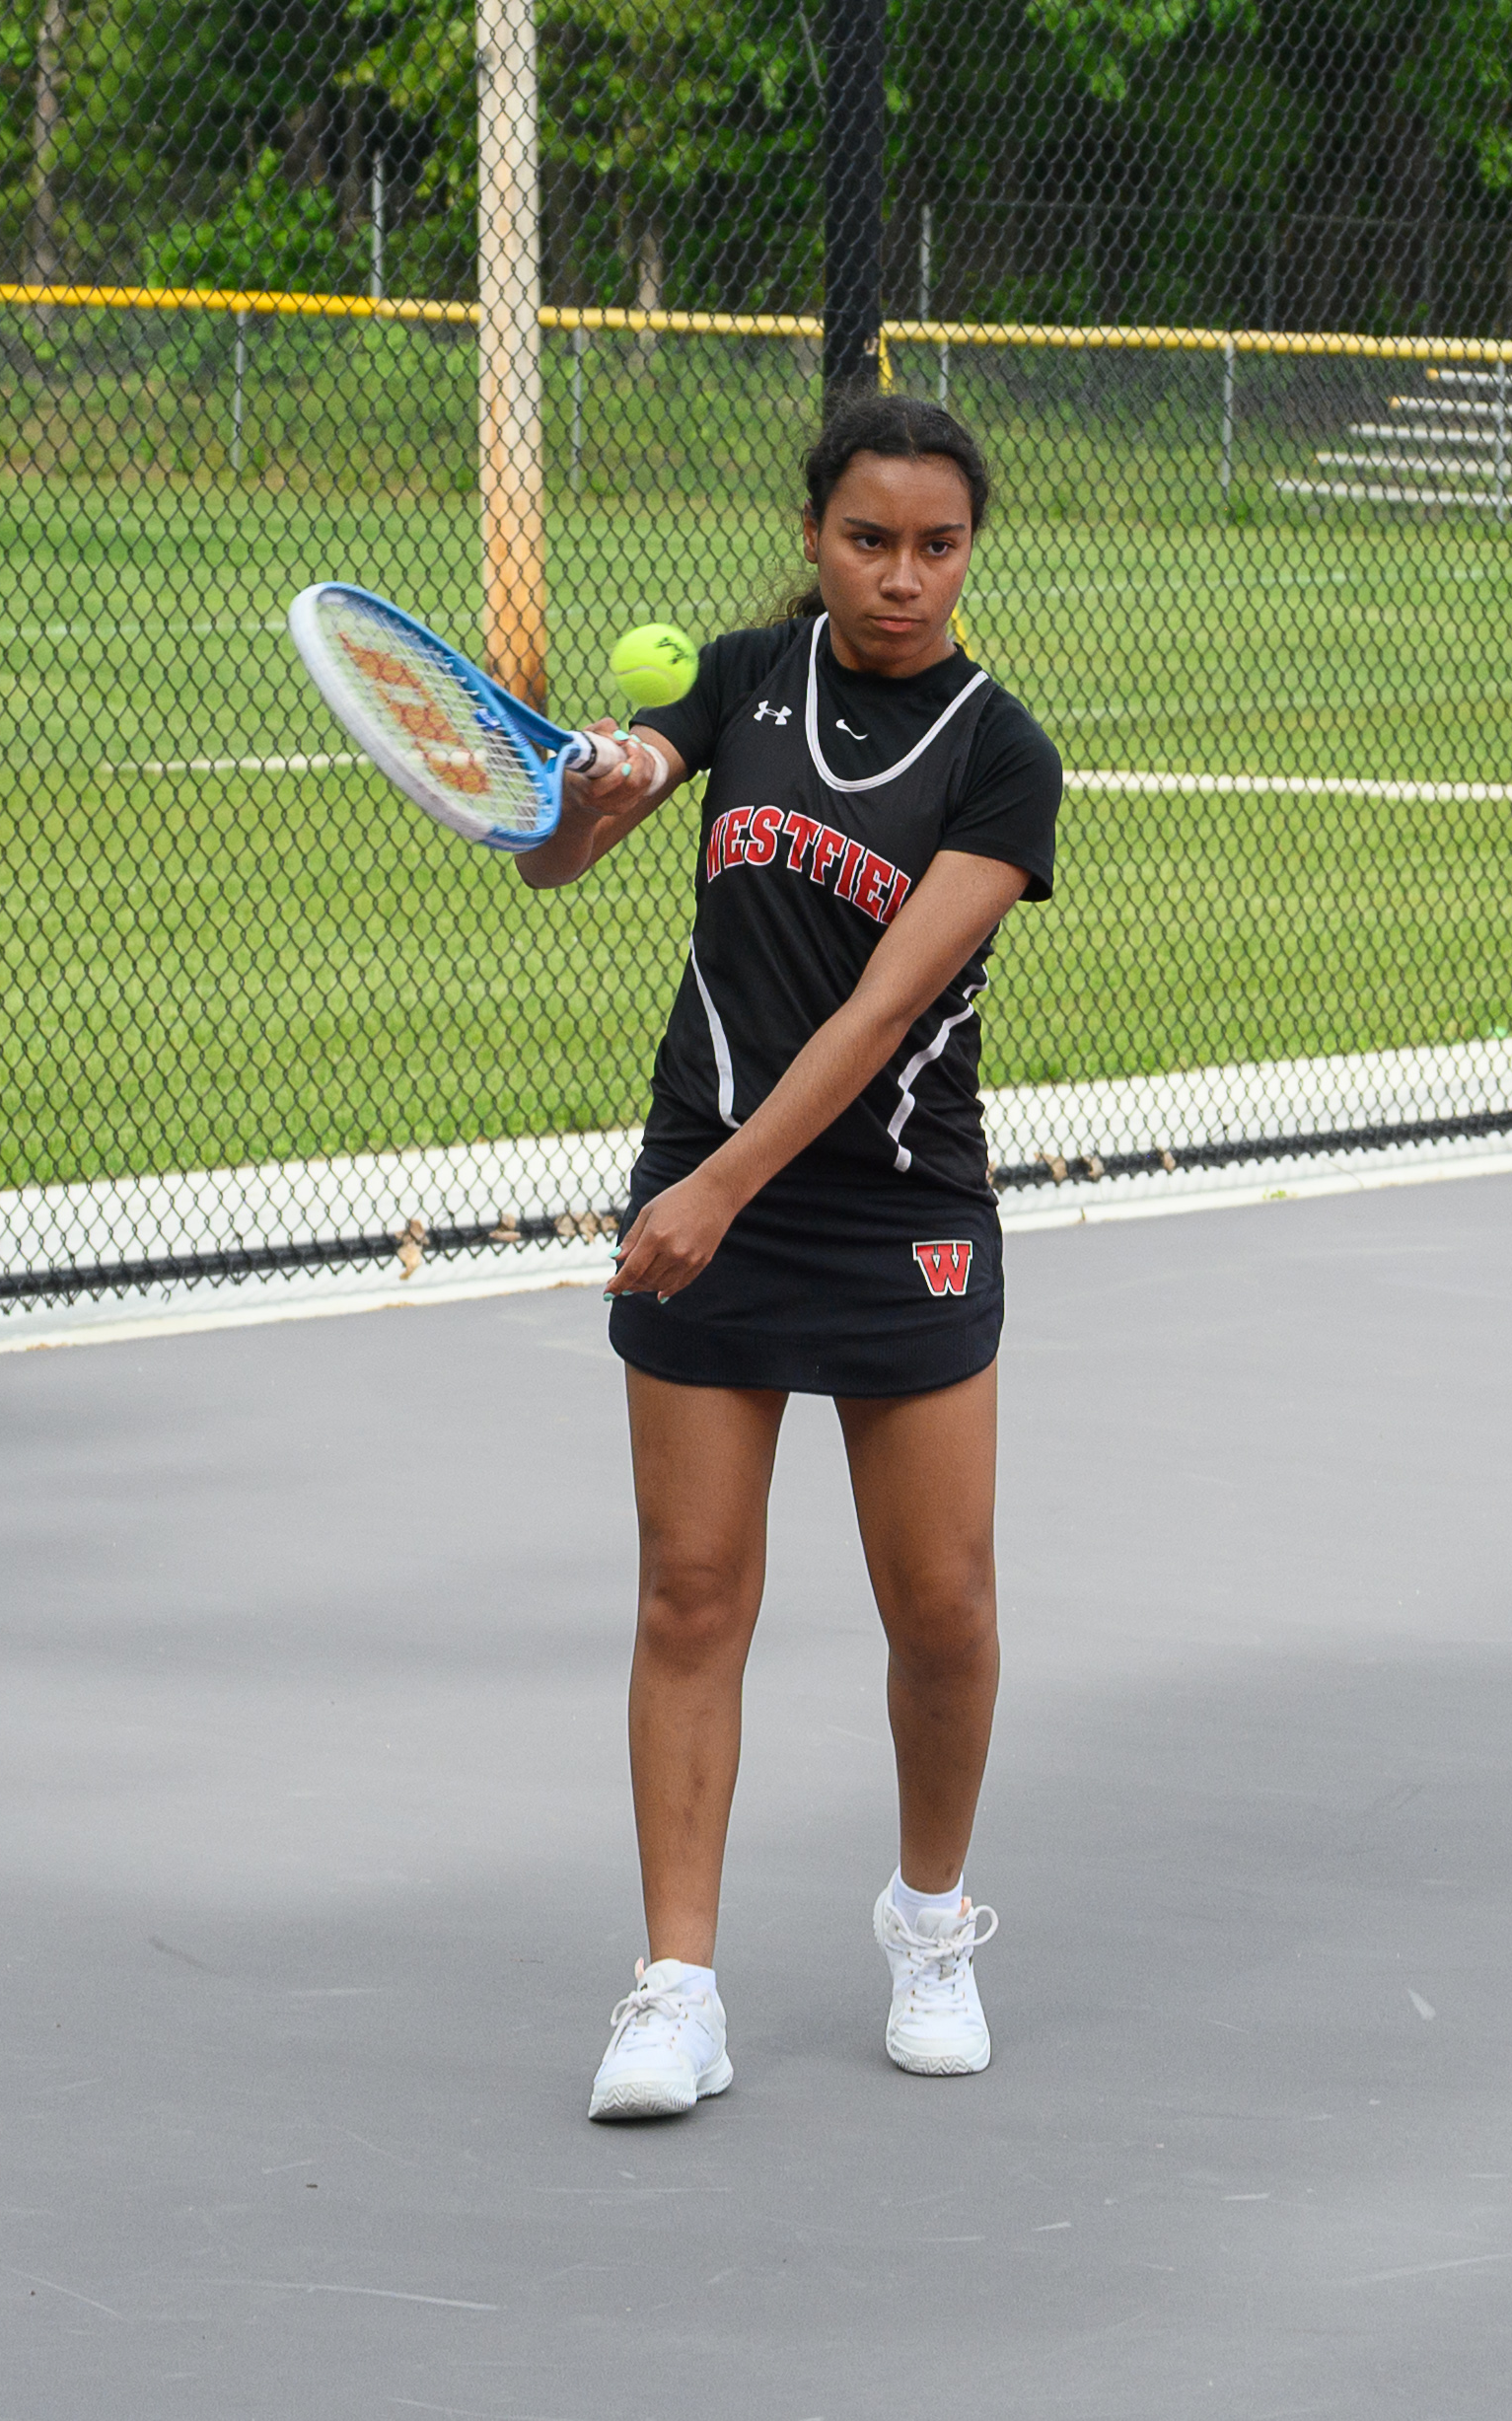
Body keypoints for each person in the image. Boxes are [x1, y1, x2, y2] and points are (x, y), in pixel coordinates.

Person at [517, 394, 1061, 2120]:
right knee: (689, 1592)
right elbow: (554, 863)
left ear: (968, 550)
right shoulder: (737, 680)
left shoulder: (999, 753)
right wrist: (593, 789)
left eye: (936, 544)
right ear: (814, 533)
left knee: (945, 1609)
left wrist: (719, 1195)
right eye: (867, 539)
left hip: (888, 1204)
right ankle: (675, 1989)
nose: (901, 576)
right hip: (709, 1174)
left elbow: (880, 1005)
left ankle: (928, 1923)